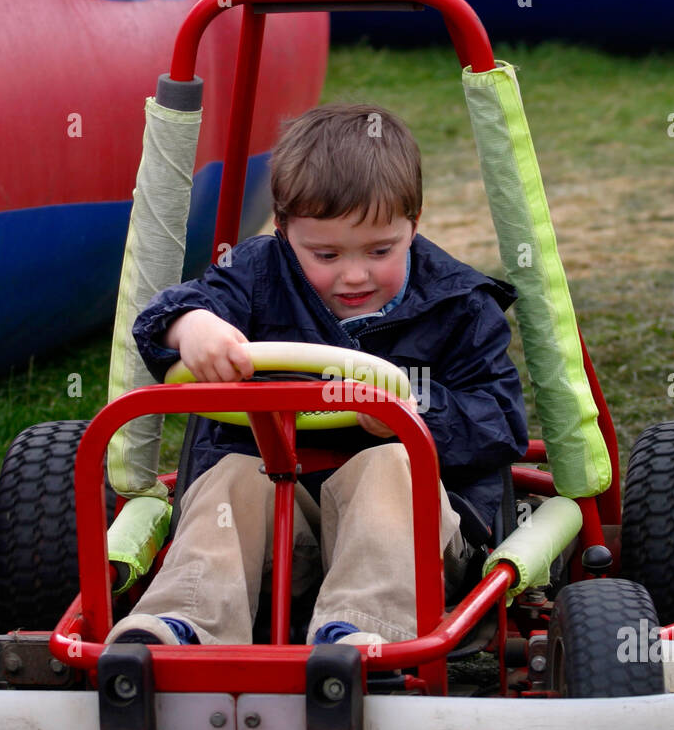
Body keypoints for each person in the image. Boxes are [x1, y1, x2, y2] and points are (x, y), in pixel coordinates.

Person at [106, 102, 528, 648]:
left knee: (388, 465)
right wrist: (193, 327)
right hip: (283, 543)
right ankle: (181, 628)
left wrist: (411, 412)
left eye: (380, 250)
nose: (354, 275)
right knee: (234, 477)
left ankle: (361, 636)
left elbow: (501, 424)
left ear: (413, 225)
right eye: (325, 253)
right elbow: (165, 315)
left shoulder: (461, 306)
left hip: (420, 549)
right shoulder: (257, 274)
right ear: (282, 230)